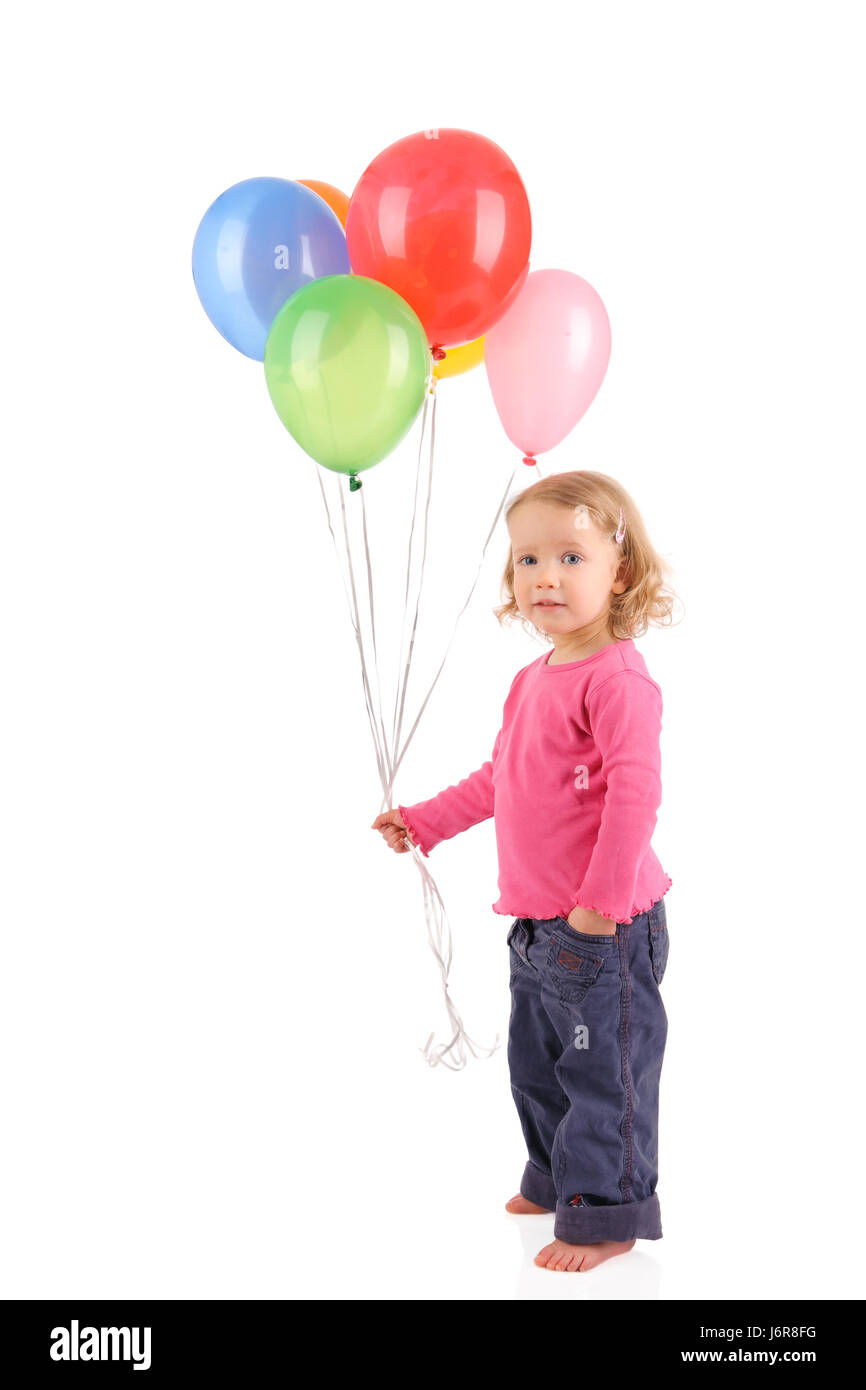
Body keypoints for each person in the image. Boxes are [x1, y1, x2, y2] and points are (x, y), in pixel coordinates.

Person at [372, 470, 679, 1273]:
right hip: (540, 922)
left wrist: (603, 905)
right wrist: (426, 821)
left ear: (621, 573)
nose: (545, 576)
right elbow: (503, 777)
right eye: (526, 559)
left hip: (601, 926)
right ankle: (556, 1178)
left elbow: (635, 795)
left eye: (571, 558)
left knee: (602, 1069)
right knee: (539, 1063)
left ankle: (607, 1210)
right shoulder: (532, 680)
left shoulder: (616, 680)